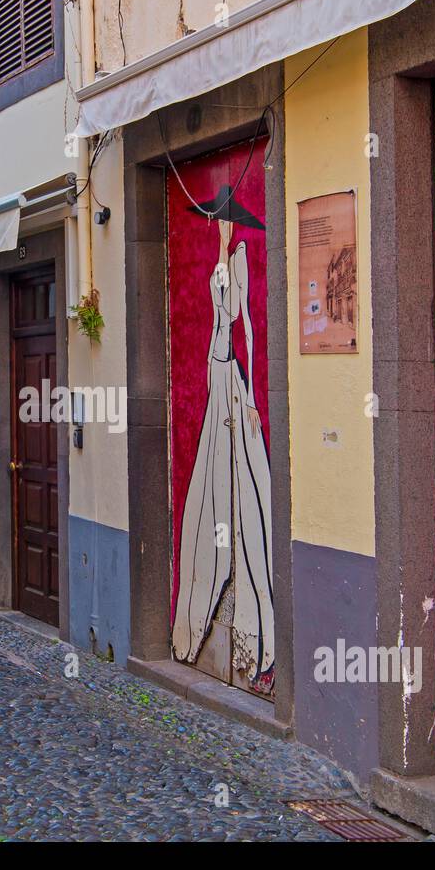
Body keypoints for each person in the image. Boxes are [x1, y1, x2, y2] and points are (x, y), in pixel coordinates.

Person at [170, 185, 274, 685]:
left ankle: (244, 596)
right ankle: (209, 579)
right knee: (211, 473)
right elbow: (216, 318)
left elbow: (247, 326)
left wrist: (252, 396)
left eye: (225, 219)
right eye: (217, 219)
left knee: (241, 477)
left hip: (231, 373)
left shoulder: (240, 259)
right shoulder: (218, 259)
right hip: (214, 369)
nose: (221, 226)